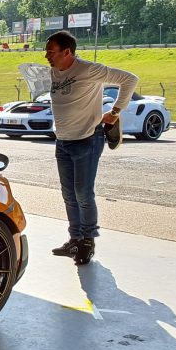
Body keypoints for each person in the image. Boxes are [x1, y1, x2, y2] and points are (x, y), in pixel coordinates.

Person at [44, 31, 138, 265]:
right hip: (63, 141)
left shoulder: (88, 69)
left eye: (51, 51)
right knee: (69, 195)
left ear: (67, 52)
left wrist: (115, 112)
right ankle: (74, 239)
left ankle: (88, 242)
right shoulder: (54, 70)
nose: (47, 55)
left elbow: (130, 79)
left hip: (87, 138)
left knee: (83, 194)